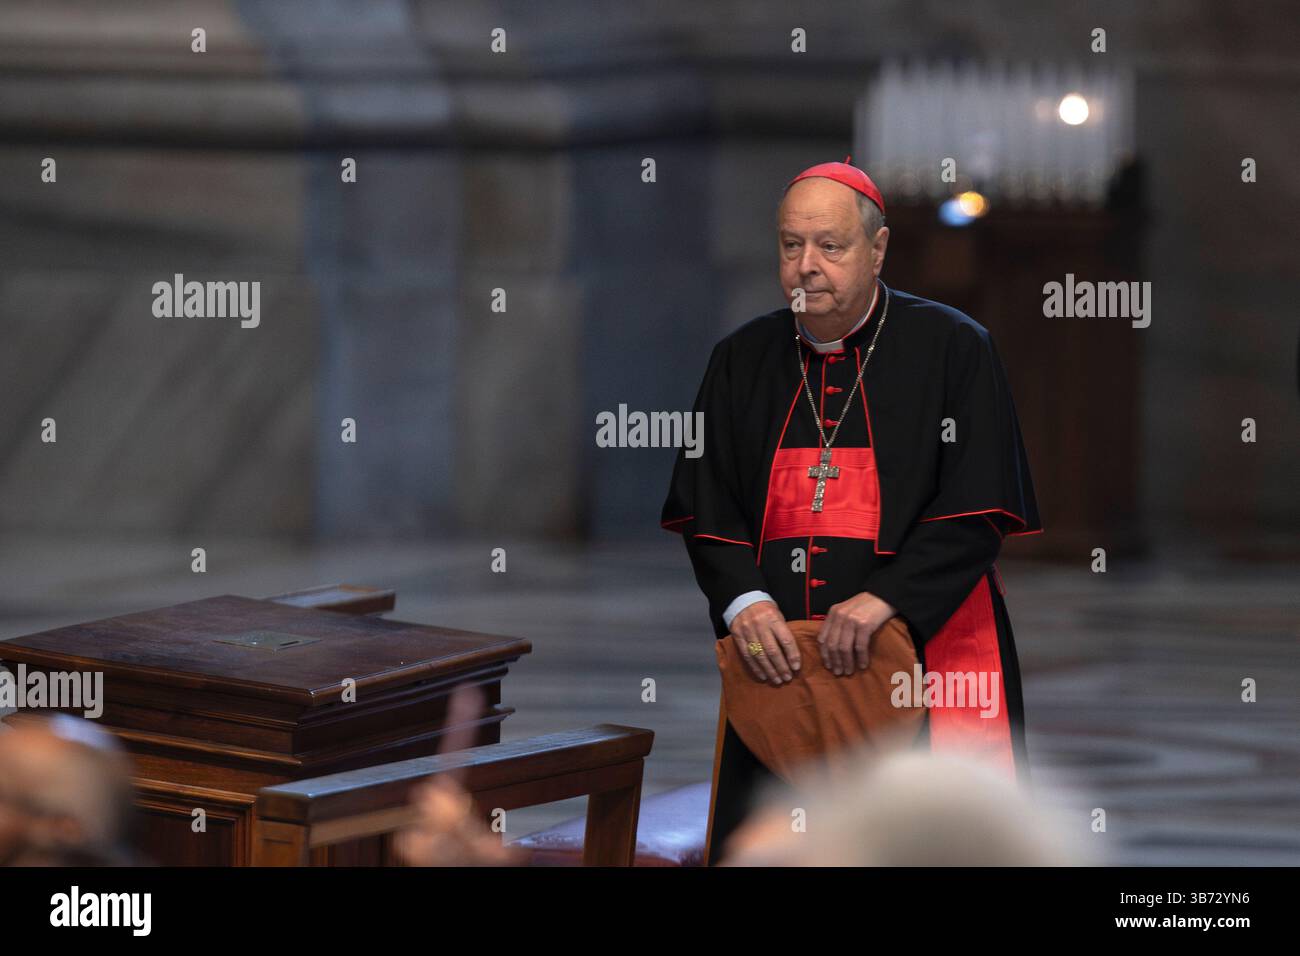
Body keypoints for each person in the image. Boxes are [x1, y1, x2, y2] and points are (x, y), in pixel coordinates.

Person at [661, 159, 1042, 864]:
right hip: (782, 669)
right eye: (789, 245)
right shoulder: (739, 360)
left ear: (878, 249)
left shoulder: (955, 349)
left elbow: (977, 511)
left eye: (829, 247)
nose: (806, 267)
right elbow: (707, 508)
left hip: (923, 659)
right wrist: (743, 601)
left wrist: (886, 601)